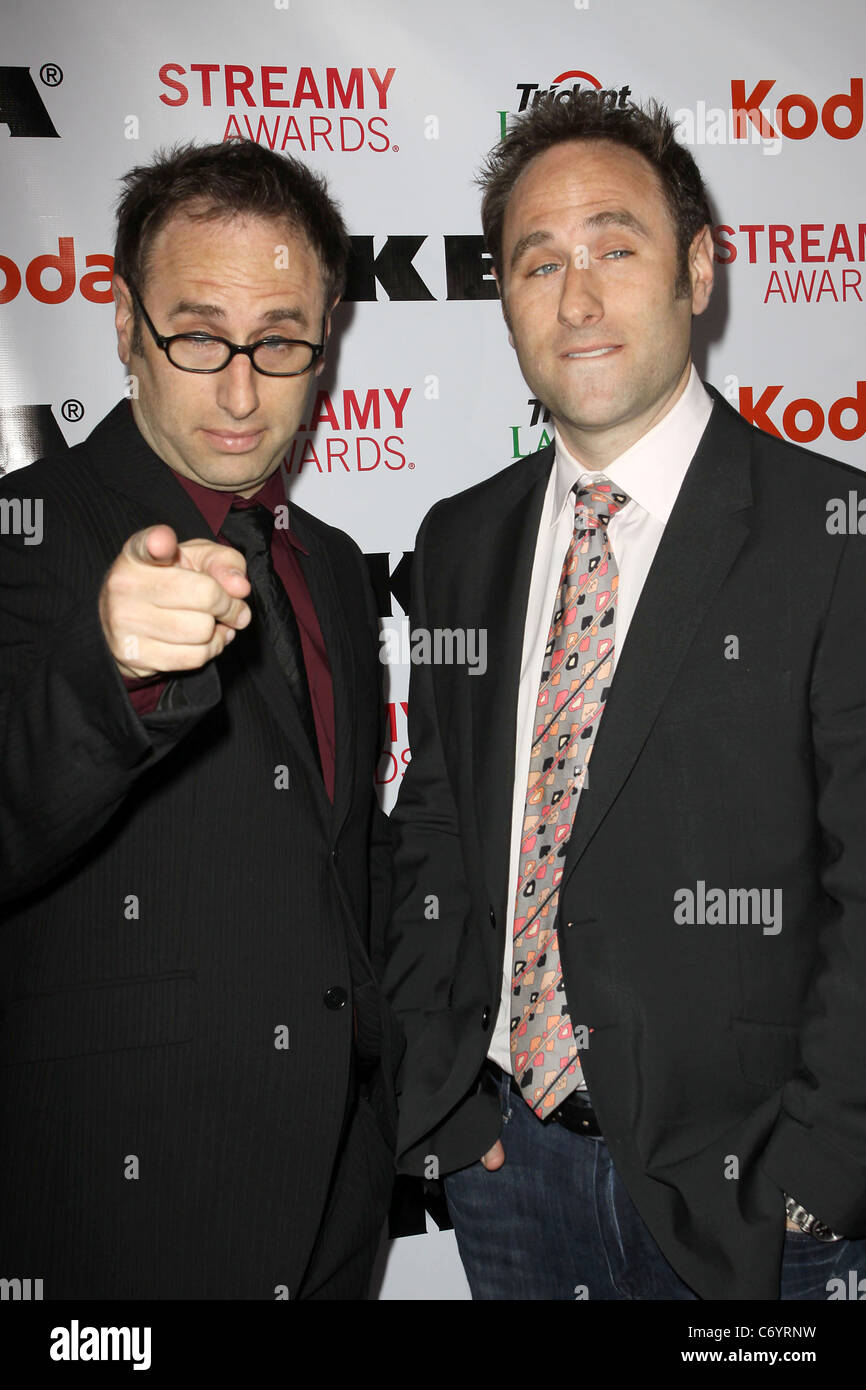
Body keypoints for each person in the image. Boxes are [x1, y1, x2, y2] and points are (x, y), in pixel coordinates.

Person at [383, 92, 866, 1300]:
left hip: (754, 1206)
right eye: (536, 262)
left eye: (614, 246)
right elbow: (432, 827)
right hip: (509, 1177)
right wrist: (437, 1095)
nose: (575, 296)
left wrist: (814, 1181)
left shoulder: (832, 532)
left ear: (697, 270)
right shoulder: (458, 542)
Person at [0, 139, 400, 1300]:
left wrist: (407, 1090)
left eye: (279, 339)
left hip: (335, 1198)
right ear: (124, 325)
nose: (240, 390)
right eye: (196, 334)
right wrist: (110, 669)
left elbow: (345, 858)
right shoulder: (26, 532)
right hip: (117, 1219)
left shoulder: (323, 562)